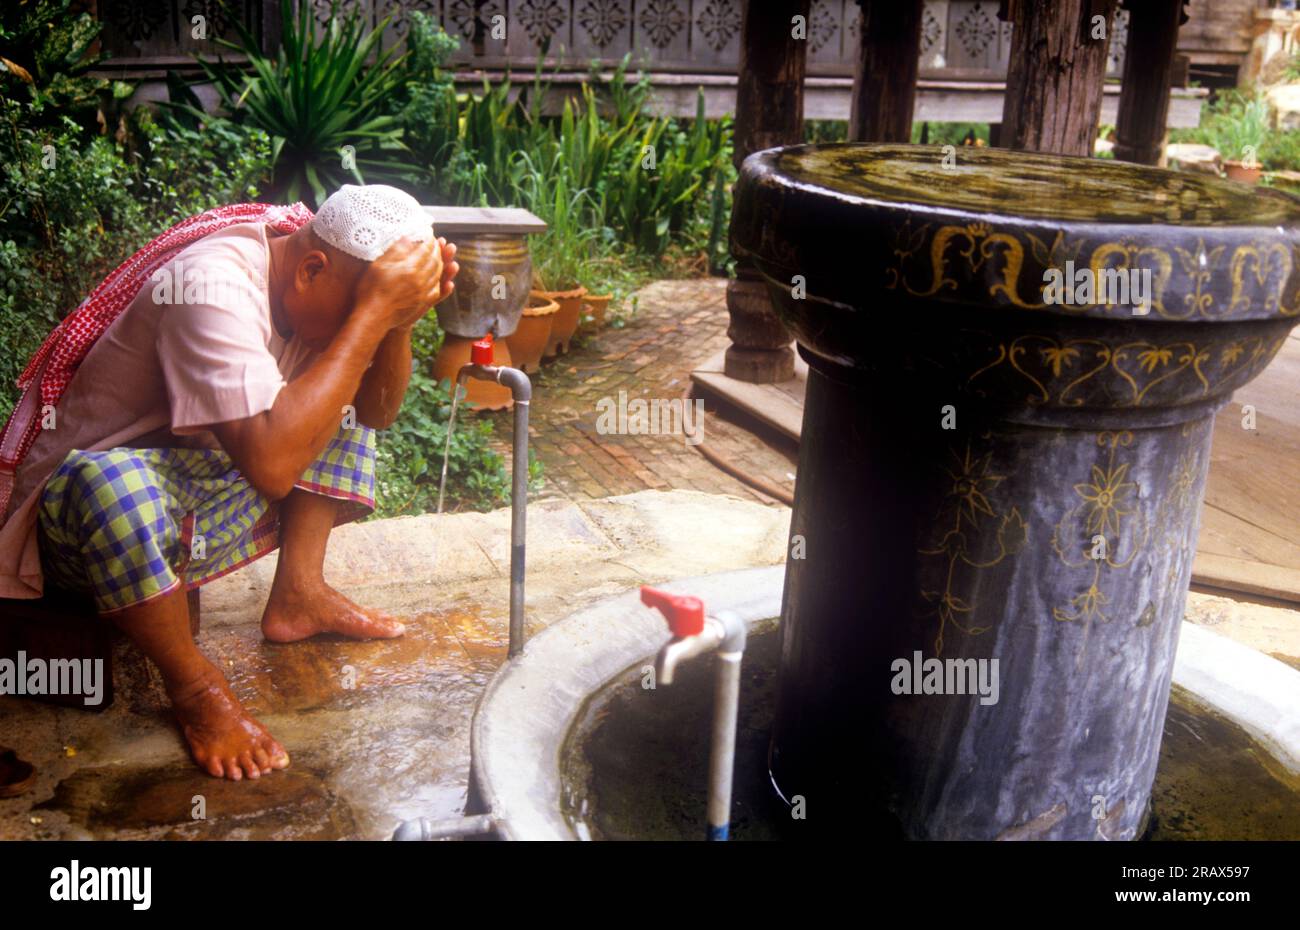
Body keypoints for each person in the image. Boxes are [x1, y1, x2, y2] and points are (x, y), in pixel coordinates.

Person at [0, 184, 459, 781]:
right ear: (311, 268)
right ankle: (196, 690)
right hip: (80, 526)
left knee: (338, 395)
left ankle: (299, 594)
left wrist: (397, 319)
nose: (360, 323)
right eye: (355, 305)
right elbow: (271, 465)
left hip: (193, 482)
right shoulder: (210, 285)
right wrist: (369, 318)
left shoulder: (307, 278)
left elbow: (375, 413)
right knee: (108, 485)